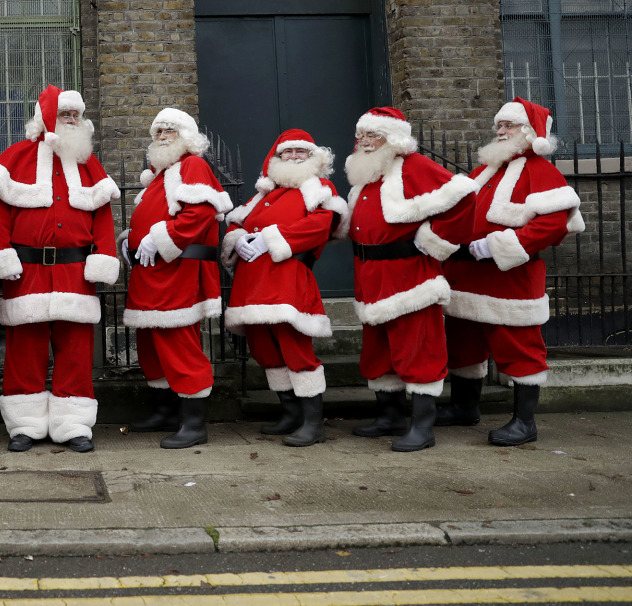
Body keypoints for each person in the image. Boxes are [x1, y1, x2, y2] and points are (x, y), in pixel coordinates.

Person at [0, 85, 120, 453]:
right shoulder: (16, 158)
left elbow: (103, 218)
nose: (73, 121)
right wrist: (3, 257)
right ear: (47, 118)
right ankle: (25, 424)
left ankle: (72, 424)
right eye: (65, 115)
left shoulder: (90, 165)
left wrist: (103, 258)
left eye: (76, 115)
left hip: (75, 272)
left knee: (75, 350)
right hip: (27, 272)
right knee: (25, 350)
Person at [439, 97, 584, 446]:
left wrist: (496, 246)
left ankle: (525, 422)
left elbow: (553, 224)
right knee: (463, 344)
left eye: (508, 125)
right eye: (499, 126)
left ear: (530, 131)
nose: (500, 131)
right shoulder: (489, 168)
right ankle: (464, 407)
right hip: (467, 277)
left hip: (508, 280)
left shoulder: (540, 171)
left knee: (518, 348)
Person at [336, 107, 476, 452]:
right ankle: (390, 416)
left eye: (373, 135)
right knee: (379, 351)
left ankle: (423, 426)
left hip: (409, 276)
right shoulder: (370, 171)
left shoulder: (414, 165)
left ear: (393, 137)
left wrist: (434, 240)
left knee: (418, 349)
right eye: (362, 135)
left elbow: (465, 197)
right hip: (371, 277)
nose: (365, 142)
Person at [222, 129, 347, 447]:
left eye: (299, 153)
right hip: (252, 282)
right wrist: (240, 239)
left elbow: (322, 224)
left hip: (287, 278)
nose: (292, 157)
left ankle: (312, 422)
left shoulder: (318, 187)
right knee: (263, 347)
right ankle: (290, 412)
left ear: (313, 157)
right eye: (285, 153)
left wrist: (270, 237)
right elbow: (236, 223)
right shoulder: (263, 193)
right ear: (275, 159)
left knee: (294, 347)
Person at [121, 108, 232, 449]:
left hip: (177, 272)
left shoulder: (193, 165)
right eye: (159, 132)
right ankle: (166, 411)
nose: (164, 136)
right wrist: (131, 239)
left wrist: (160, 237)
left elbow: (198, 214)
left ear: (187, 136)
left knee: (179, 344)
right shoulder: (159, 174)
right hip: (152, 273)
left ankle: (194, 422)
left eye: (170, 130)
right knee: (152, 345)